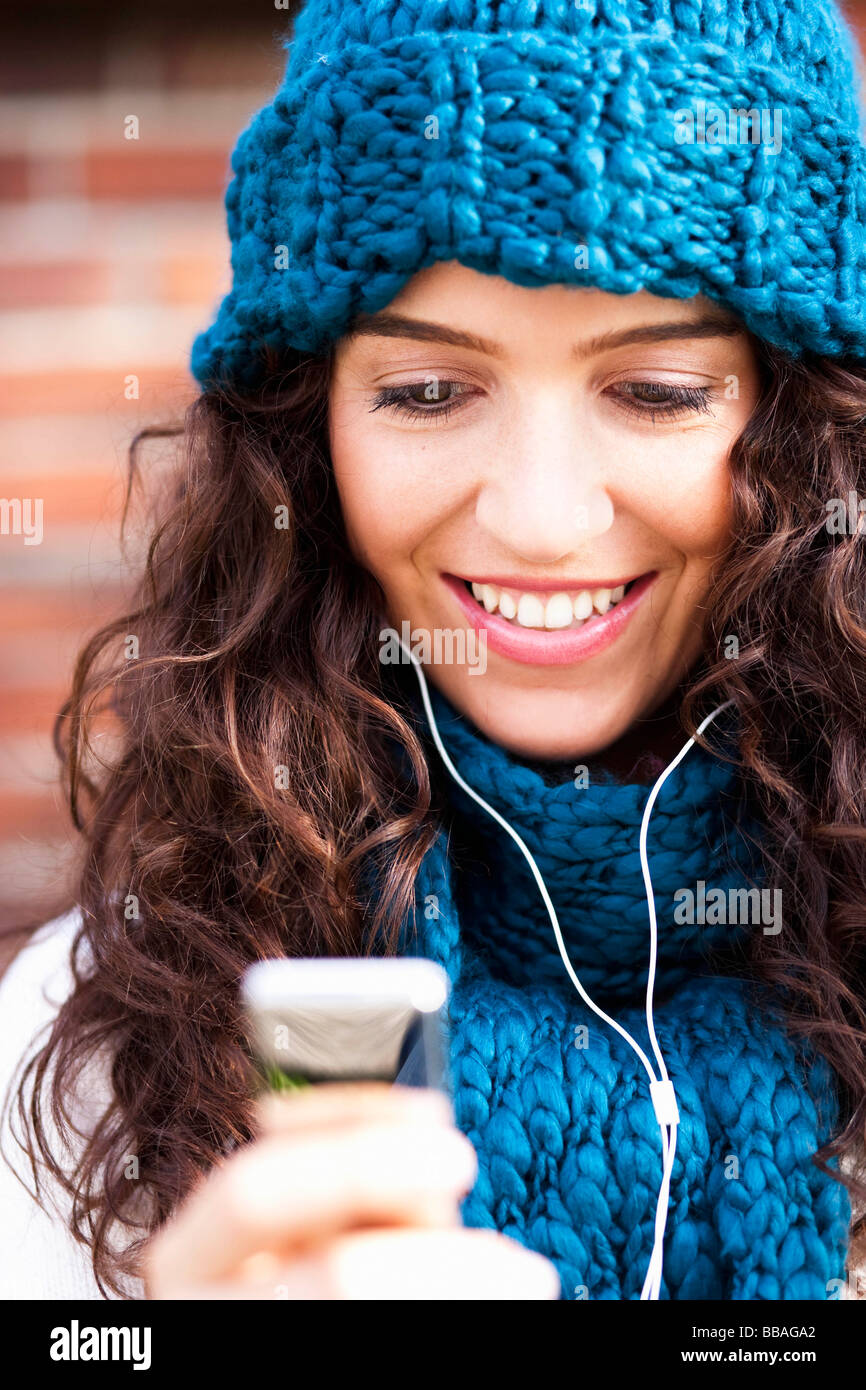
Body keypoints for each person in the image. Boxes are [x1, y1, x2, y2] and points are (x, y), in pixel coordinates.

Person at [2, 0, 866, 1301]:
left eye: (654, 392)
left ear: (806, 429)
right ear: (307, 436)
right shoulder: (87, 1042)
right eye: (424, 391)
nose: (536, 516)